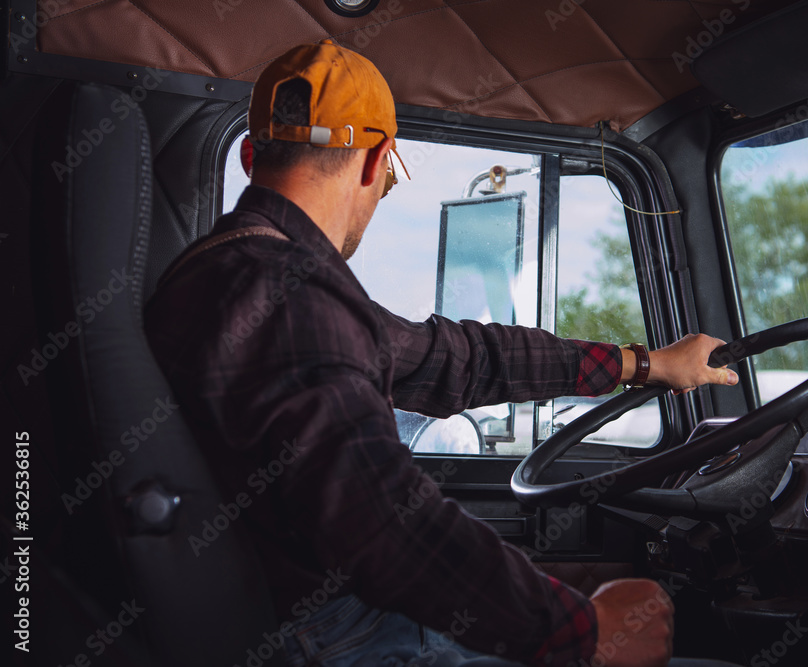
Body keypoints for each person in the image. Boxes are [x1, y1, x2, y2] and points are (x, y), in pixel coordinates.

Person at [144, 40, 741, 667]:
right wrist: (585, 633)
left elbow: (457, 357)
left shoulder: (233, 273)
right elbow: (387, 527)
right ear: (376, 161)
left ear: (248, 155)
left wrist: (644, 364)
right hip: (338, 637)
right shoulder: (289, 301)